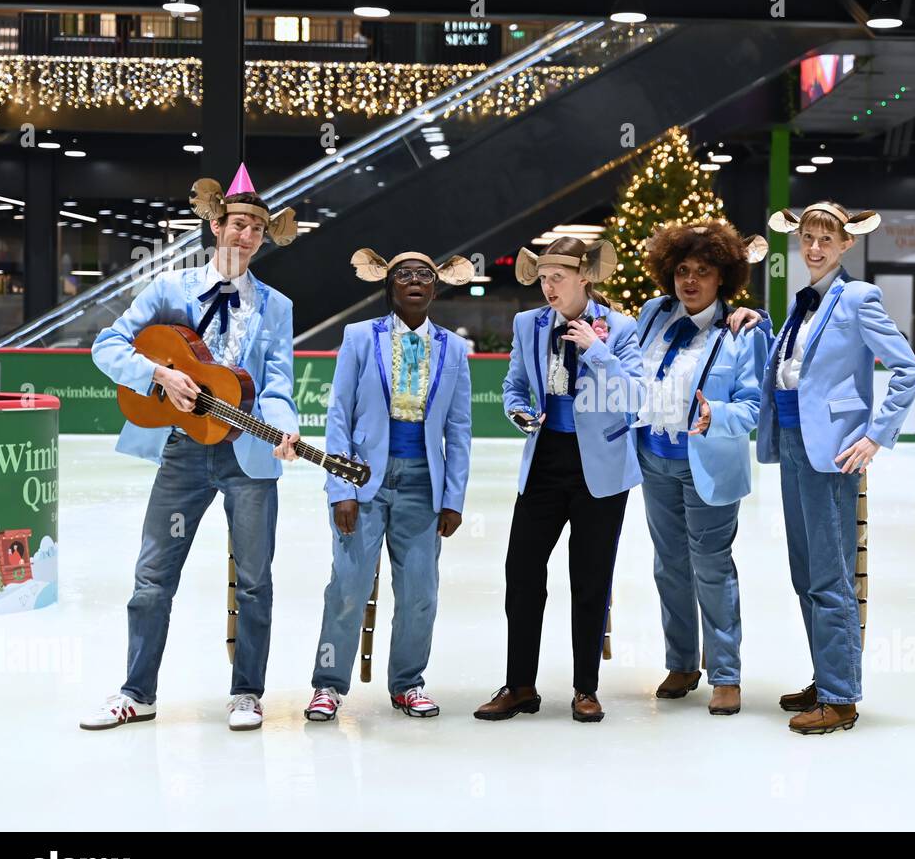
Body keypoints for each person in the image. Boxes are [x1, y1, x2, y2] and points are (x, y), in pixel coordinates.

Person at [83, 163, 300, 732]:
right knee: (153, 575)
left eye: (256, 227)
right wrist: (158, 374)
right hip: (182, 450)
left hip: (248, 457)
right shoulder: (170, 289)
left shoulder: (276, 307)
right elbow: (106, 346)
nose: (245, 235)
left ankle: (248, 693)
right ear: (216, 226)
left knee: (255, 579)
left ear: (263, 236)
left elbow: (276, 383)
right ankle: (137, 691)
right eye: (237, 223)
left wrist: (284, 427)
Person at [759, 202, 915, 735]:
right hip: (792, 441)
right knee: (804, 570)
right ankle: (825, 674)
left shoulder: (857, 298)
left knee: (829, 573)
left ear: (846, 244)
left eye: (826, 239)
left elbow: (906, 368)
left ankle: (840, 695)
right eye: (807, 237)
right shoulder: (802, 302)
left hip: (830, 451)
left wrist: (876, 435)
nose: (814, 247)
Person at [474, 238, 643, 724]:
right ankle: (520, 685)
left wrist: (598, 351)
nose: (548, 287)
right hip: (544, 460)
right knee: (521, 574)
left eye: (558, 278)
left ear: (584, 278)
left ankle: (585, 689)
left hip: (601, 469)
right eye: (543, 277)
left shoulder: (620, 328)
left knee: (590, 581)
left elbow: (635, 396)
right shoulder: (527, 325)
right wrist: (517, 411)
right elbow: (512, 385)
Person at [303, 247, 474, 723]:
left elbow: (459, 430)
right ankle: (328, 686)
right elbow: (338, 415)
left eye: (424, 275)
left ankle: (408, 683)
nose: (415, 281)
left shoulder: (454, 349)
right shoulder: (359, 338)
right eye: (404, 275)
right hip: (362, 479)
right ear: (390, 287)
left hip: (424, 484)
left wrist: (453, 497)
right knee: (348, 586)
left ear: (434, 288)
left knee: (421, 592)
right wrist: (341, 488)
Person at [633, 221, 771, 716]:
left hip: (707, 463)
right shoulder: (652, 315)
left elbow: (754, 405)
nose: (691, 281)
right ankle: (682, 662)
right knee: (668, 565)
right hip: (653, 459)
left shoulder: (742, 329)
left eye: (704, 272)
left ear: (723, 278)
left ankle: (727, 674)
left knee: (711, 566)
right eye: (683, 270)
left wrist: (719, 415)